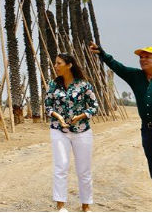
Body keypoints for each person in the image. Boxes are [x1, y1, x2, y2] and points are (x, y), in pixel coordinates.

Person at [89, 42, 152, 211]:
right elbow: (118, 67)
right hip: (148, 133)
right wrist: (102, 53)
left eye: (147, 57)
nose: (143, 60)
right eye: (141, 57)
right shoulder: (135, 76)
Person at [45, 53, 99, 212]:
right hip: (58, 130)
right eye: (55, 63)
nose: (55, 66)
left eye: (58, 63)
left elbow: (94, 106)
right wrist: (58, 117)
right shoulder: (53, 85)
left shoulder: (84, 85)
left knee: (84, 170)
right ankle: (61, 206)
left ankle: (86, 206)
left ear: (69, 65)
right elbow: (48, 107)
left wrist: (81, 116)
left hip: (82, 131)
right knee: (61, 167)